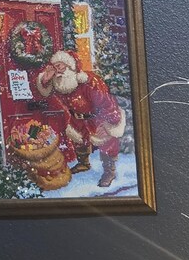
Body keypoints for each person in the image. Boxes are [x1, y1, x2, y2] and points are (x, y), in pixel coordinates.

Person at [35, 49, 125, 188]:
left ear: (70, 66)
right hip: (77, 119)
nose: (57, 70)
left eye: (60, 66)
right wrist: (45, 78)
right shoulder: (58, 82)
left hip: (98, 118)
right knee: (78, 139)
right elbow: (43, 93)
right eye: (55, 66)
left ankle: (109, 171)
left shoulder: (89, 81)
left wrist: (109, 123)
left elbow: (107, 102)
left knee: (107, 143)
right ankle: (84, 163)